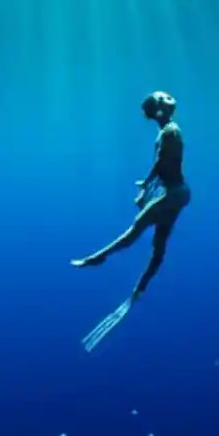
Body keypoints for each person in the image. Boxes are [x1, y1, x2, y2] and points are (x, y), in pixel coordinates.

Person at [72, 91, 191, 351]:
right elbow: (165, 166)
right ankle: (140, 288)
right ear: (159, 110)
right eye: (163, 98)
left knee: (134, 233)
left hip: (172, 193)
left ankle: (97, 258)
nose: (168, 98)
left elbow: (161, 164)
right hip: (178, 193)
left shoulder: (169, 132)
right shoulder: (170, 130)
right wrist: (147, 188)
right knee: (158, 245)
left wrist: (145, 187)